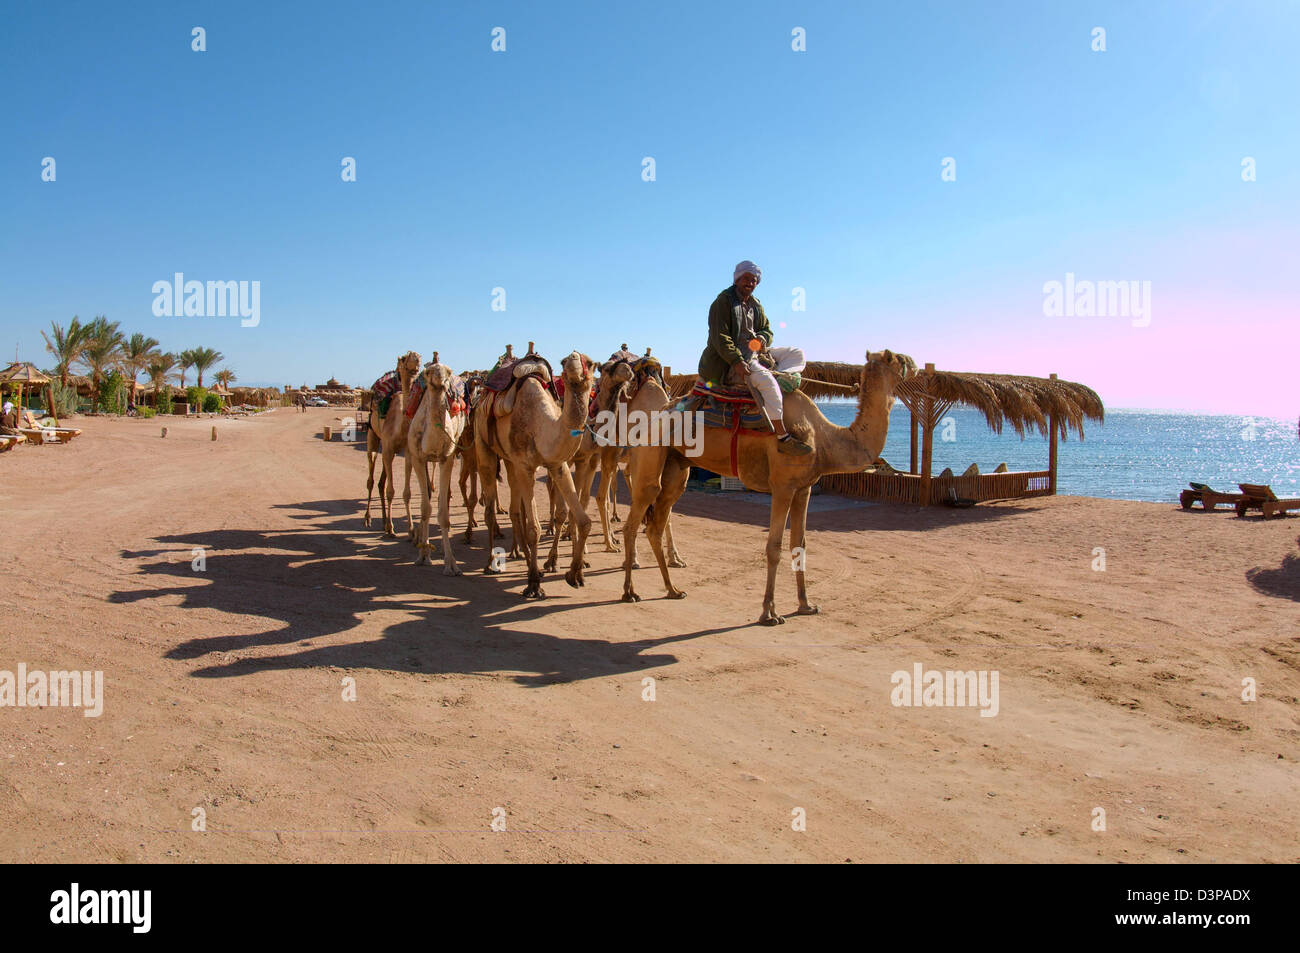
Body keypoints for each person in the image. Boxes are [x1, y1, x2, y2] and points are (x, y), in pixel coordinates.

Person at [699, 260, 811, 455]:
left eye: (754, 280)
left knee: (797, 353)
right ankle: (782, 437)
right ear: (737, 279)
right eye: (747, 279)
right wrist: (736, 362)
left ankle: (781, 375)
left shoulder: (755, 305)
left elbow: (767, 329)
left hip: (756, 353)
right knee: (770, 386)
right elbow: (720, 338)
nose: (750, 283)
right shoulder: (722, 302)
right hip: (729, 361)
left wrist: (762, 338)